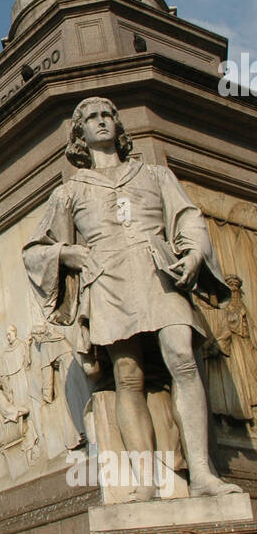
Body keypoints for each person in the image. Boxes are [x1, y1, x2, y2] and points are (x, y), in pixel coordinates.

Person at [23, 97, 240, 500]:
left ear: (119, 128)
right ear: (79, 135)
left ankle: (203, 472)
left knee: (181, 356)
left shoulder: (155, 175)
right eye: (92, 118)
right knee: (127, 375)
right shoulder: (69, 192)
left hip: (158, 270)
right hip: (107, 279)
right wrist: (69, 253)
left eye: (108, 116)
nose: (102, 122)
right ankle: (144, 479)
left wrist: (192, 253)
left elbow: (187, 217)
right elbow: (37, 250)